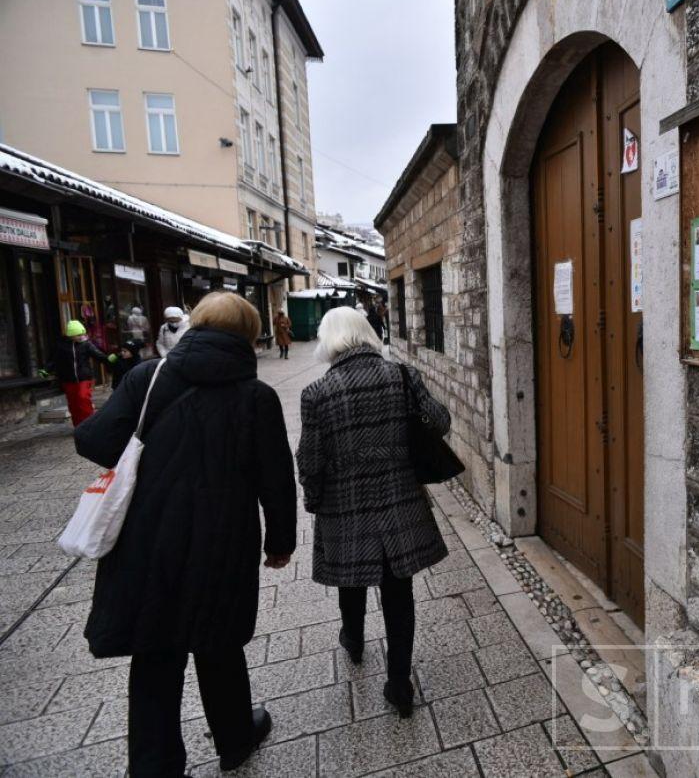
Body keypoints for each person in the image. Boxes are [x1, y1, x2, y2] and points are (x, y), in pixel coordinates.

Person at [74, 292, 297, 777]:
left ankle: (156, 767)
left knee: (155, 652)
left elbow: (92, 440)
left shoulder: (146, 378)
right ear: (246, 334)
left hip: (148, 538)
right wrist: (280, 542)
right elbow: (275, 479)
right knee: (219, 641)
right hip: (223, 540)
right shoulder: (256, 396)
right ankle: (235, 738)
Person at [296, 307, 449, 718]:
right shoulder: (402, 376)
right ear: (366, 333)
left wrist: (313, 501)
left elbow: (310, 460)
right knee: (399, 591)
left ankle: (354, 638)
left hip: (345, 507)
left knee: (351, 577)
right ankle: (399, 683)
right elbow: (439, 421)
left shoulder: (317, 394)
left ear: (328, 340)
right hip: (400, 501)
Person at [45, 320, 113, 426]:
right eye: (78, 335)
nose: (81, 336)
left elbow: (98, 355)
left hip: (83, 377)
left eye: (82, 334)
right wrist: (46, 370)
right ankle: (78, 425)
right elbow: (54, 359)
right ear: (71, 335)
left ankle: (90, 424)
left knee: (83, 398)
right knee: (73, 403)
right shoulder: (61, 346)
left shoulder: (86, 344)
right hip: (68, 378)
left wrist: (109, 359)